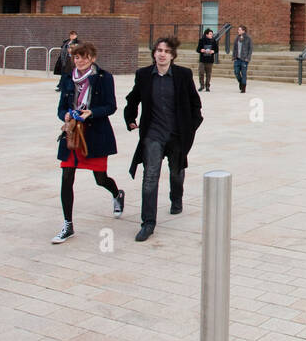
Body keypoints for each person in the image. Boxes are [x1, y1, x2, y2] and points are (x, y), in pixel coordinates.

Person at [123, 37, 202, 242]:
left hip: (177, 135)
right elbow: (133, 99)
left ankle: (176, 199)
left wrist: (190, 129)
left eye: (166, 51)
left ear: (173, 55)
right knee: (150, 176)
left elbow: (195, 105)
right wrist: (130, 118)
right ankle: (148, 223)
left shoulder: (183, 75)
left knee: (177, 172)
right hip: (153, 135)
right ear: (154, 53)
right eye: (158, 50)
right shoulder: (143, 75)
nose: (162, 54)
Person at [51, 41, 124, 244]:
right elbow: (60, 108)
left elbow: (111, 106)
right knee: (67, 176)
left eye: (84, 57)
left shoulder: (104, 78)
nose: (80, 61)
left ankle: (117, 193)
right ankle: (68, 224)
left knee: (100, 178)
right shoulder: (67, 79)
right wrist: (65, 115)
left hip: (95, 134)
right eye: (76, 57)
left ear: (92, 58)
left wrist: (92, 112)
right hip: (72, 134)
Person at [232, 25, 253, 92]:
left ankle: (243, 88)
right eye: (238, 30)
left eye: (239, 30)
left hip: (244, 59)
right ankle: (240, 82)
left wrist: (248, 58)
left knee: (244, 74)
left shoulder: (248, 38)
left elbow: (250, 49)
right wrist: (234, 57)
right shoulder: (237, 38)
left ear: (243, 31)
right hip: (237, 59)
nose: (238, 31)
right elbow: (234, 48)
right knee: (236, 72)